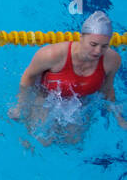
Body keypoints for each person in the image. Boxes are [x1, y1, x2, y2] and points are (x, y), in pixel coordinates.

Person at [9, 11, 125, 139]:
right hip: (46, 98)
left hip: (78, 104)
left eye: (104, 46)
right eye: (93, 44)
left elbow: (107, 89)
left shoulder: (112, 60)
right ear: (81, 38)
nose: (98, 51)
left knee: (73, 141)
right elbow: (28, 76)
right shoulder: (52, 55)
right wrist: (21, 106)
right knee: (42, 140)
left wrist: (118, 117)